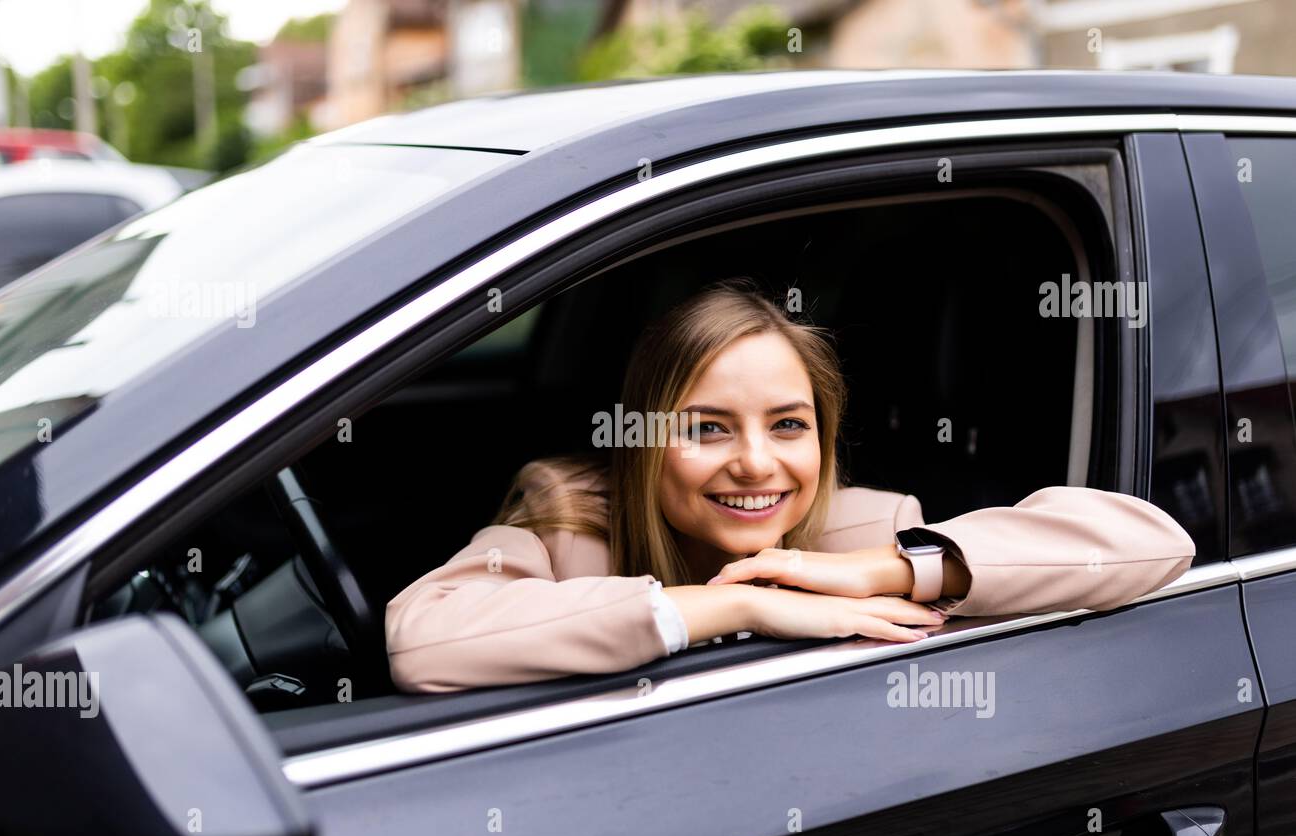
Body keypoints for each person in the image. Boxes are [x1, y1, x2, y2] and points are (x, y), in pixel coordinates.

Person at [386, 277, 1195, 694]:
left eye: (787, 424)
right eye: (705, 427)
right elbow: (423, 642)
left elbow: (1158, 542)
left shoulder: (866, 528)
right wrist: (734, 605)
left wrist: (884, 569)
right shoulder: (568, 519)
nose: (754, 463)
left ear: (823, 435)